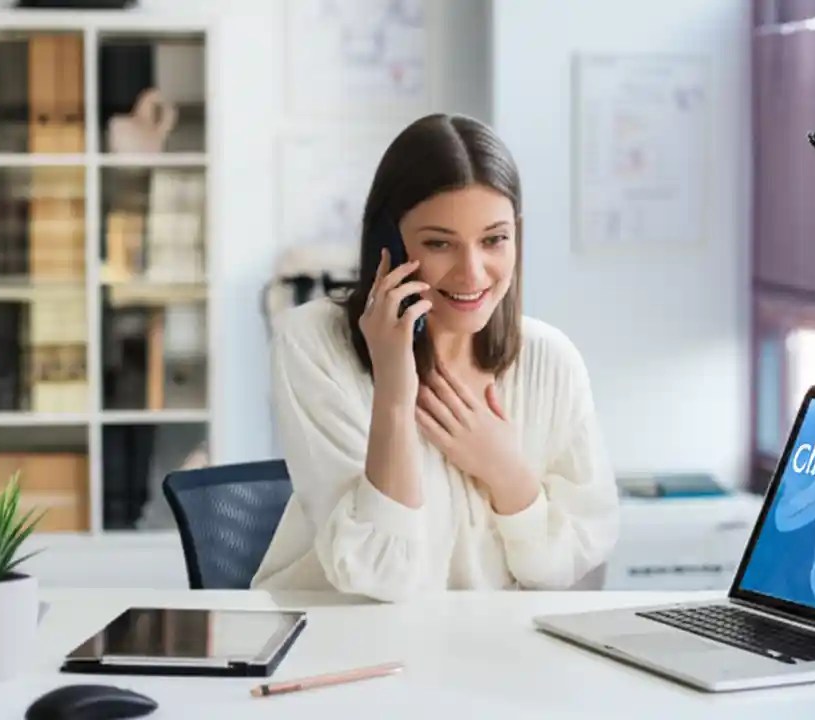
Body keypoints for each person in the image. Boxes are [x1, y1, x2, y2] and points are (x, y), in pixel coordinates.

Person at [250, 113, 619, 601]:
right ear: (388, 244)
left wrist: (504, 470)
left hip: (488, 658)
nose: (472, 273)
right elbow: (381, 576)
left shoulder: (551, 360)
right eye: (440, 243)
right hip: (336, 647)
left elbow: (574, 564)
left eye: (494, 240)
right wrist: (395, 396)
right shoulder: (312, 343)